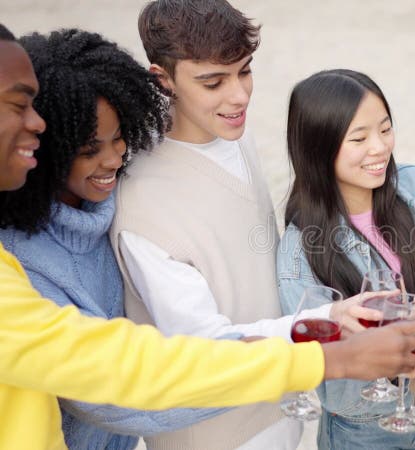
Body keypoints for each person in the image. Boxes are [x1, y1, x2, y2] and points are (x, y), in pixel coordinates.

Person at [0, 23, 415, 450]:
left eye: (120, 141)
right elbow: (124, 373)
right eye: (18, 106)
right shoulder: (35, 259)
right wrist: (324, 357)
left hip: (264, 411)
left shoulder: (200, 146)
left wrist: (321, 328)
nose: (36, 124)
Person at [110, 2, 384, 448]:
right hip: (218, 433)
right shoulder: (141, 203)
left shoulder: (233, 133)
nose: (239, 96)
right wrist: (327, 322)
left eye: (245, 71)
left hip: (283, 408)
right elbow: (209, 348)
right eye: (213, 81)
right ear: (162, 79)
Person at [277, 69, 415, 450]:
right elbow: (322, 372)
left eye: (385, 129)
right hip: (364, 432)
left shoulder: (414, 184)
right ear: (318, 148)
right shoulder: (299, 248)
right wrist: (395, 366)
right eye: (359, 138)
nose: (379, 147)